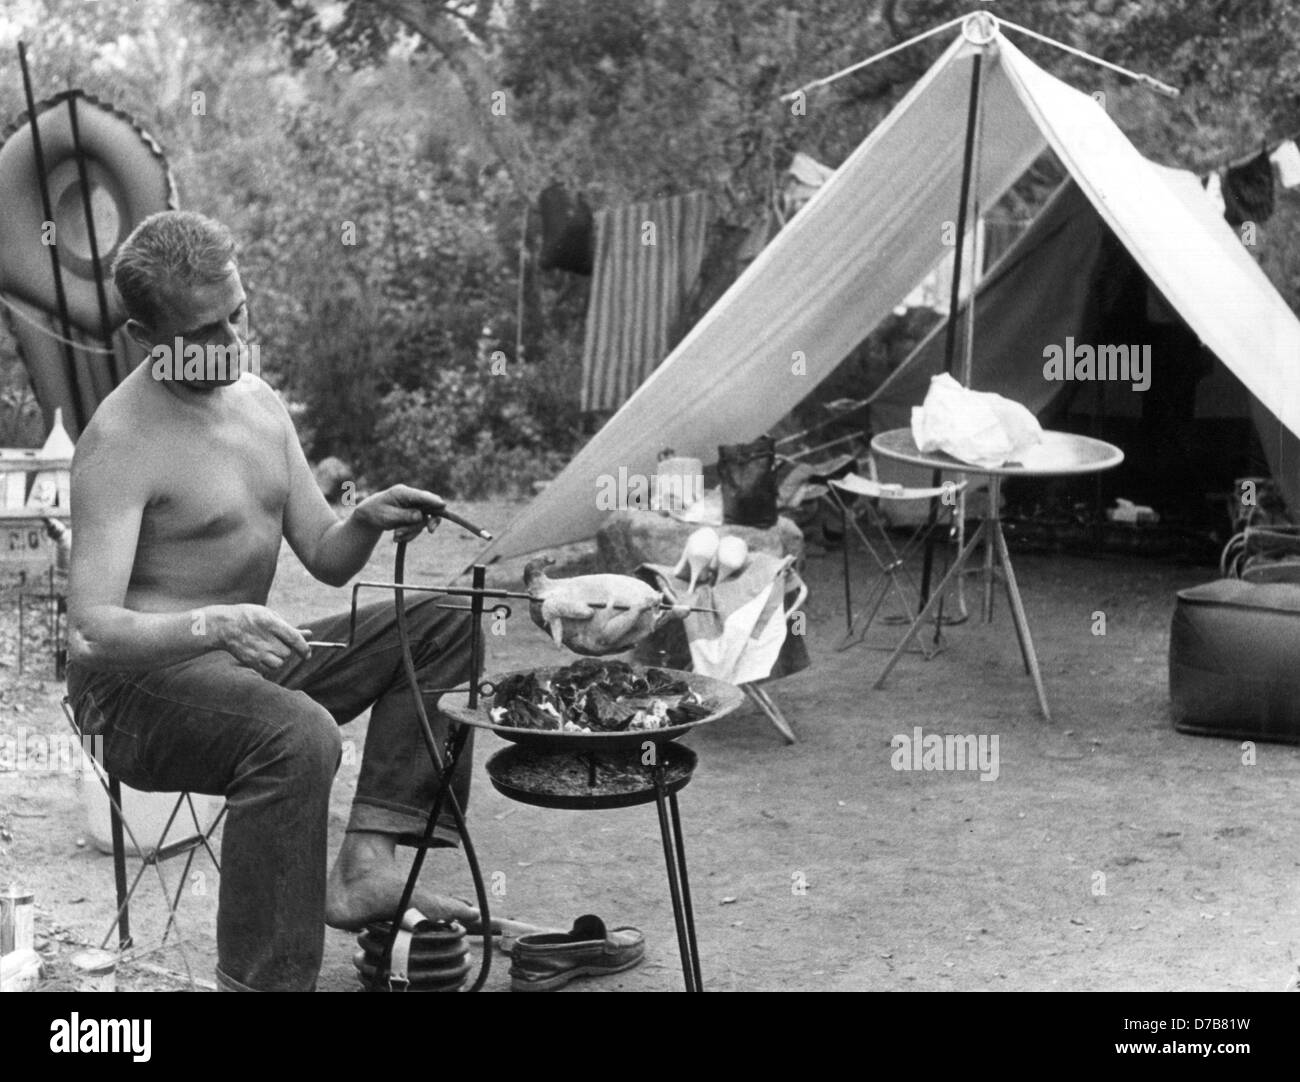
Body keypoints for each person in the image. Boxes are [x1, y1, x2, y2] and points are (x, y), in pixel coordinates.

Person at [66, 210, 481, 991]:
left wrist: (361, 516)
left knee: (445, 622)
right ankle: (264, 983)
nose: (229, 344)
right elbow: (90, 632)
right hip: (132, 695)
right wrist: (213, 622)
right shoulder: (120, 441)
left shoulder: (257, 402)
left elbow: (325, 558)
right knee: (298, 736)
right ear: (144, 335)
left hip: (245, 666)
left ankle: (369, 862)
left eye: (237, 316)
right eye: (203, 331)